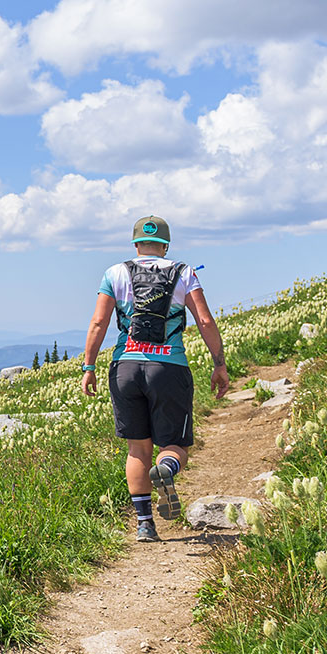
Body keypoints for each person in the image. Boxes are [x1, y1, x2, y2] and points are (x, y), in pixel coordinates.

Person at [80, 215, 229, 542]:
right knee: (174, 445)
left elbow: (98, 323)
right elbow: (204, 320)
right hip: (169, 369)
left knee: (137, 449)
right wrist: (219, 363)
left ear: (135, 244)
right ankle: (168, 470)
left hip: (126, 369)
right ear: (166, 245)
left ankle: (145, 524)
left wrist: (88, 367)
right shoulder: (184, 272)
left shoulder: (115, 273)